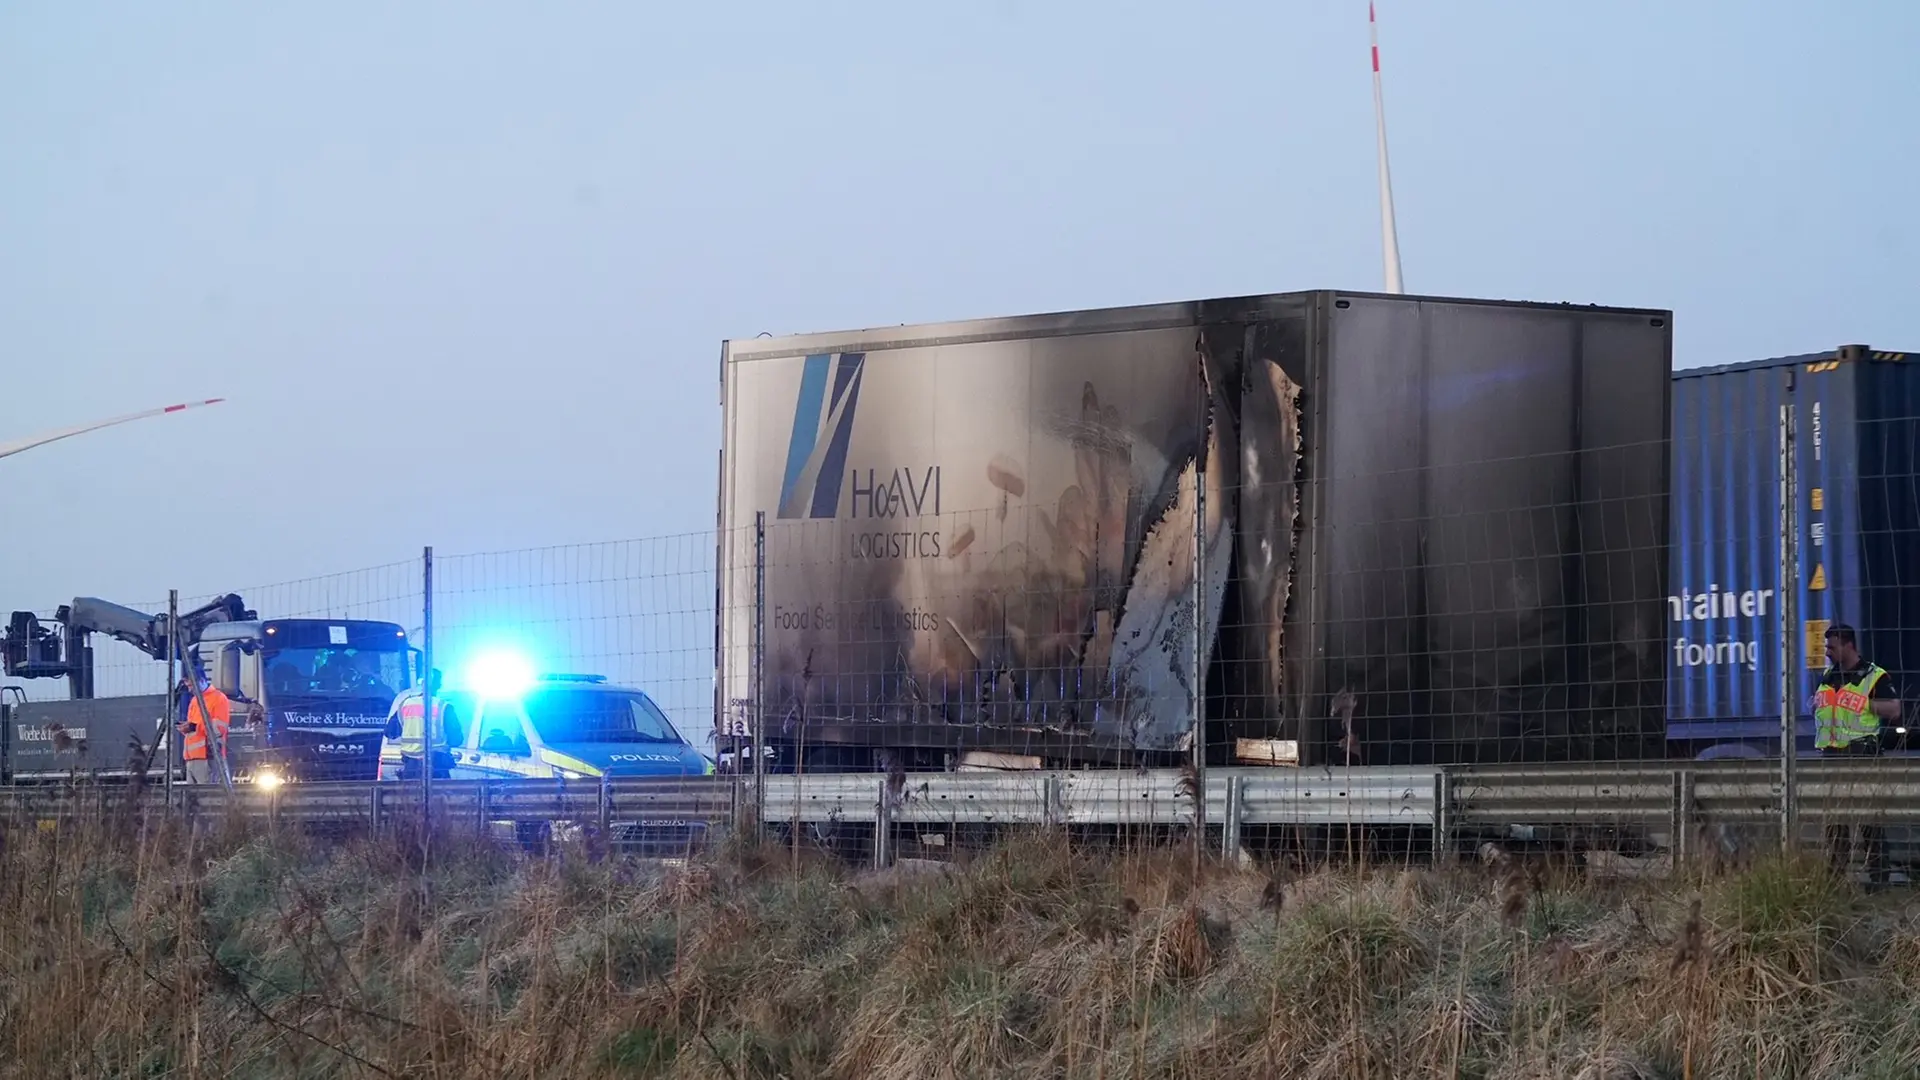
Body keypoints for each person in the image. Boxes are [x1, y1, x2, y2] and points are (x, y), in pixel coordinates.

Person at [1809, 623, 1902, 883]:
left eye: (1832, 647)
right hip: (1831, 757)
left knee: (1869, 822)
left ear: (1848, 645)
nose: (1827, 652)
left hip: (1862, 755)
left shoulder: (1874, 675)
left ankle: (1878, 881)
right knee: (1836, 825)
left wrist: (1865, 703)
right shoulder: (1828, 675)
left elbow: (1894, 709)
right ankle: (1835, 881)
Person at [178, 670, 232, 785]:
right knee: (194, 799)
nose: (189, 690)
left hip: (208, 757)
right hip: (192, 758)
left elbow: (219, 728)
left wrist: (194, 727)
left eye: (191, 686)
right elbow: (195, 728)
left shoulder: (219, 698)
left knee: (206, 796)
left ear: (202, 681)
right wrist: (186, 728)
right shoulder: (194, 700)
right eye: (188, 686)